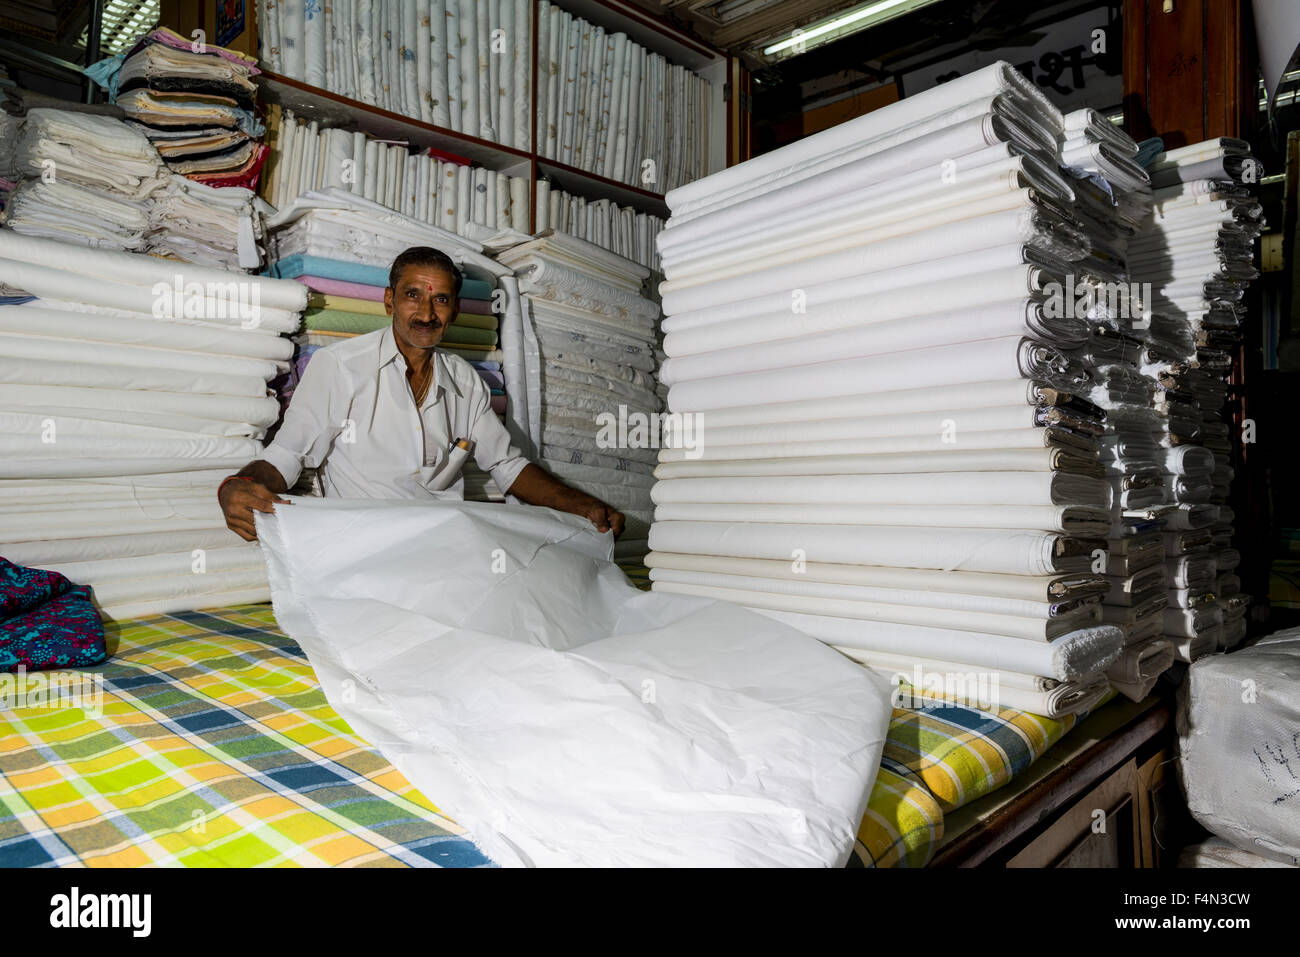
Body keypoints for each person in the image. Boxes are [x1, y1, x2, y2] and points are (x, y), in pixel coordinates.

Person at [218, 245, 625, 541]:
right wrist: (238, 485)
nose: (427, 314)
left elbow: (507, 465)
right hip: (364, 545)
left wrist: (584, 507)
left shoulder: (465, 382)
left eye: (440, 300)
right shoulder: (341, 367)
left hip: (443, 546)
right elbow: (288, 455)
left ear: (455, 311)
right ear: (389, 299)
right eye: (413, 295)